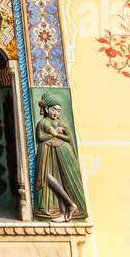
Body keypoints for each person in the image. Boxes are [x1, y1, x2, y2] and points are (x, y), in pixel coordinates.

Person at [34, 94, 87, 222]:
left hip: (63, 150)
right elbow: (40, 138)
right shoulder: (42, 122)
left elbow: (69, 138)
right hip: (47, 151)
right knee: (47, 176)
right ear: (47, 109)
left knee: (66, 178)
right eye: (53, 109)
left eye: (58, 110)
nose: (56, 112)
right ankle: (67, 205)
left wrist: (58, 135)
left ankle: (70, 206)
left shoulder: (62, 123)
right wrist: (52, 134)